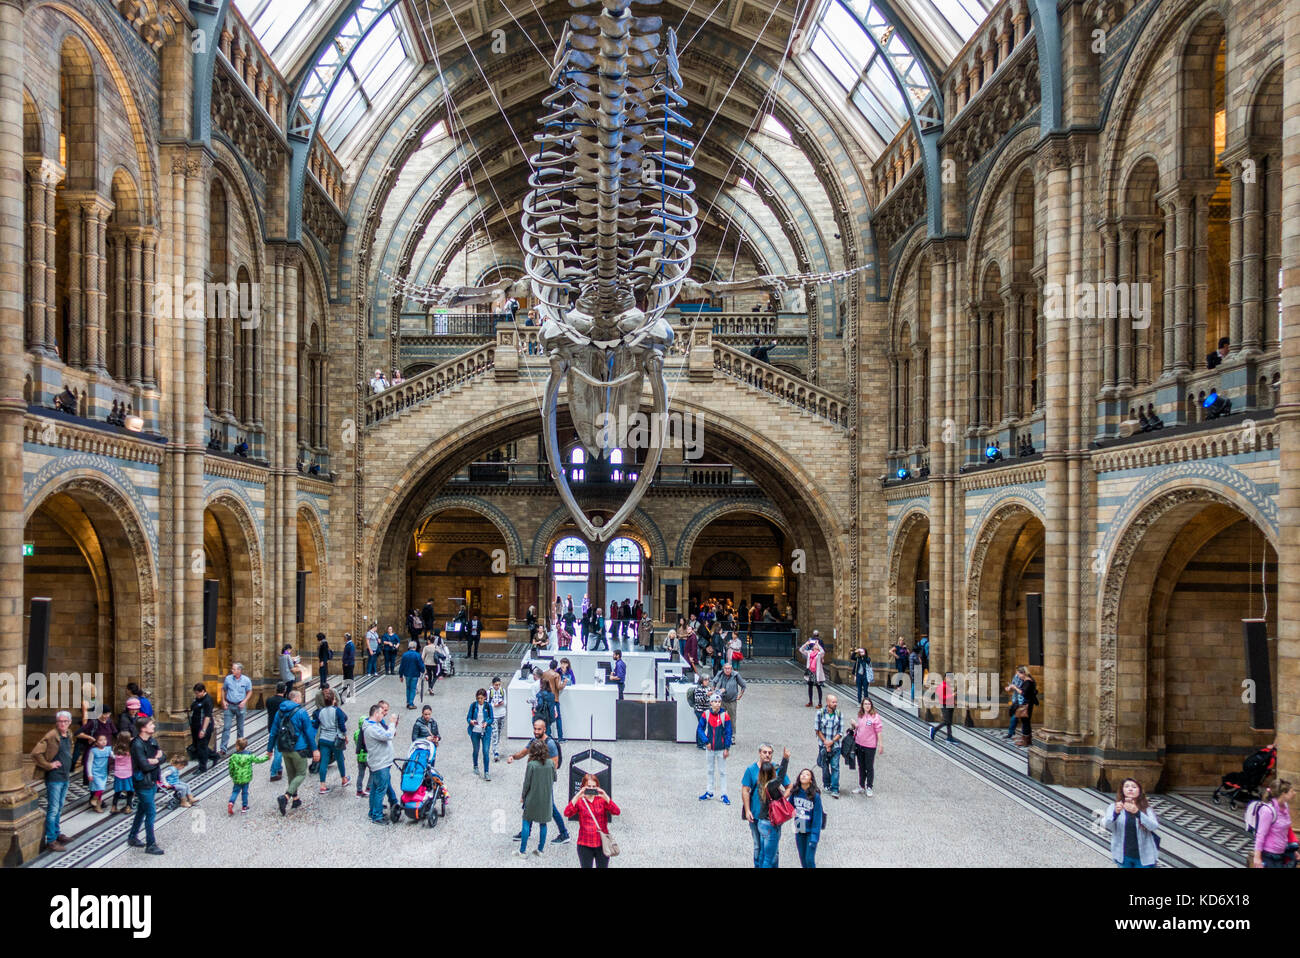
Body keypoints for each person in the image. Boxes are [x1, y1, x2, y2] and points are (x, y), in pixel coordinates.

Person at [506, 718, 572, 845]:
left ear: (545, 729)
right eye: (535, 728)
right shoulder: (534, 741)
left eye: (539, 729)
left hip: (545, 781)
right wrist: (513, 756)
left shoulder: (550, 744)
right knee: (530, 804)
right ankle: (527, 831)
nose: (536, 731)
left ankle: (564, 834)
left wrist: (539, 769)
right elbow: (523, 753)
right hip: (534, 778)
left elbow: (555, 765)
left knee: (550, 807)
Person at [267, 689, 320, 816]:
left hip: (284, 747)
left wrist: (269, 749)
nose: (301, 699)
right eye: (300, 697)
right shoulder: (301, 712)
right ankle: (286, 797)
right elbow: (308, 732)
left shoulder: (279, 712)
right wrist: (314, 749)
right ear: (295, 699)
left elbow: (273, 731)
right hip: (298, 747)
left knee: (291, 774)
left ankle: (295, 799)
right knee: (301, 773)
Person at [31, 710, 75, 853]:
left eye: (65, 721)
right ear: (56, 723)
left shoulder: (69, 734)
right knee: (53, 809)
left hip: (64, 776)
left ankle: (56, 833)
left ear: (69, 722)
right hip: (54, 778)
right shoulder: (51, 735)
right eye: (59, 721)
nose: (62, 724)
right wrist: (49, 765)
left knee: (59, 807)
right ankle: (51, 840)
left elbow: (70, 749)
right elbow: (36, 753)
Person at [741, 744, 790, 868]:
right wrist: (747, 810)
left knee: (770, 850)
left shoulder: (773, 770)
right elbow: (745, 790)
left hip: (770, 818)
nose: (767, 755)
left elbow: (788, 786)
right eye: (764, 752)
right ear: (759, 753)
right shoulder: (752, 770)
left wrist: (780, 800)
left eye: (770, 752)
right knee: (760, 848)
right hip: (758, 816)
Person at [564, 772, 620, 868]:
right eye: (588, 786)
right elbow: (567, 813)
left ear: (597, 787)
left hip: (602, 843)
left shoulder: (602, 800)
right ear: (583, 787)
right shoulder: (580, 801)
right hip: (584, 844)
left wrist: (606, 796)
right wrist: (578, 795)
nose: (591, 789)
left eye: (594, 786)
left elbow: (616, 811)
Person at [127, 716, 166, 855]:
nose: (154, 727)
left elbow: (163, 756)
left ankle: (132, 837)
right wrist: (157, 760)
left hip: (152, 780)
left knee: (142, 810)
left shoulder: (152, 740)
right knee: (150, 812)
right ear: (143, 728)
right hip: (143, 783)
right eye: (151, 725)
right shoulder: (137, 744)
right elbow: (143, 765)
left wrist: (155, 760)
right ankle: (150, 844)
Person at [1103, 778, 1159, 867]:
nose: (1130, 789)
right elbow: (1106, 825)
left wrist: (1138, 813)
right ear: (1122, 790)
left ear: (1139, 791)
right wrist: (1115, 813)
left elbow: (1154, 826)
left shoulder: (1146, 808)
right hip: (1123, 855)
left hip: (1144, 856)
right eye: (1127, 786)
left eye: (1134, 787)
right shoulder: (1114, 806)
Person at [517, 739, 556, 857]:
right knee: (543, 823)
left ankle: (522, 851)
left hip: (532, 798)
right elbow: (554, 778)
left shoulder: (531, 765)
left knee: (526, 822)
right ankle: (540, 849)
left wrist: (523, 796)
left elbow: (526, 783)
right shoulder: (550, 763)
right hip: (546, 798)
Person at [363, 702, 400, 824]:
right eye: (381, 713)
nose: (383, 715)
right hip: (380, 763)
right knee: (380, 789)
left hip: (378, 762)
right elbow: (388, 735)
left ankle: (372, 812)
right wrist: (392, 722)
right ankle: (377, 816)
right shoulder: (372, 728)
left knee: (375, 788)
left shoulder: (373, 725)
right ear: (376, 713)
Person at [313, 687, 350, 793]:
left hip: (323, 739)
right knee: (339, 759)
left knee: (324, 761)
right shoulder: (337, 711)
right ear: (333, 700)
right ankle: (343, 779)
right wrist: (345, 736)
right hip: (335, 739)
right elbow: (342, 726)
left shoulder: (320, 712)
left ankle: (323, 785)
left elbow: (316, 725)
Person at [697, 693, 732, 804]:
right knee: (710, 770)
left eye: (719, 702)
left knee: (722, 772)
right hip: (710, 748)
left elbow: (728, 732)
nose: (717, 704)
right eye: (715, 702)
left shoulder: (725, 715)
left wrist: (727, 748)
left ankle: (724, 794)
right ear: (711, 703)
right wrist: (706, 741)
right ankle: (709, 791)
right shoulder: (706, 714)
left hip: (721, 749)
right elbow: (700, 729)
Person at [1252, 779, 1296, 868]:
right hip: (1269, 854)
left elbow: (1286, 830)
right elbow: (1261, 835)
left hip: (1281, 852)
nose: (1294, 793)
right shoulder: (1268, 811)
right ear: (1284, 793)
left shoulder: (1285, 806)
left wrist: (1293, 851)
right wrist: (1257, 857)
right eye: (1292, 791)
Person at [789, 768, 824, 868]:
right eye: (802, 774)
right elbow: (788, 807)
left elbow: (817, 819)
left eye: (807, 774)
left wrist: (814, 837)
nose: (804, 775)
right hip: (799, 830)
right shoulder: (795, 793)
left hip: (810, 832)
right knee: (803, 859)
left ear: (811, 780)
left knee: (809, 859)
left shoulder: (815, 796)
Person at [226, 737, 269, 815]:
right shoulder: (249, 755)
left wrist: (232, 775)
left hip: (237, 778)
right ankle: (244, 807)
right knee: (245, 792)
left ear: (237, 746)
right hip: (246, 778)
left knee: (235, 791)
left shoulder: (233, 757)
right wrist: (267, 757)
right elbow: (258, 760)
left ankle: (231, 803)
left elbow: (231, 768)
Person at [849, 698, 883, 795]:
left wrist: (880, 744)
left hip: (870, 745)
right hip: (859, 744)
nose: (867, 706)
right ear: (862, 706)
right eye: (865, 704)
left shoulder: (875, 717)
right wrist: (854, 725)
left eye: (869, 704)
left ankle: (869, 786)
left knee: (869, 766)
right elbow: (859, 727)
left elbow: (879, 731)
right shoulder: (861, 715)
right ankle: (861, 785)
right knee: (861, 766)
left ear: (871, 705)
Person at [219, 662, 253, 755]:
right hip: (229, 706)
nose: (232, 670)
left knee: (240, 728)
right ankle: (223, 748)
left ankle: (240, 748)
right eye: (232, 669)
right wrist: (223, 700)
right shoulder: (228, 679)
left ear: (239, 670)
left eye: (234, 669)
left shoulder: (246, 680)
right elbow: (223, 689)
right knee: (226, 727)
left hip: (240, 706)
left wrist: (244, 701)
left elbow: (249, 691)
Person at [815, 693, 843, 798]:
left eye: (836, 702)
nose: (835, 704)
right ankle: (827, 784)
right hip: (823, 745)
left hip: (835, 746)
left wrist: (831, 742)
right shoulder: (820, 713)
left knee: (835, 766)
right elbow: (817, 729)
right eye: (833, 702)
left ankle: (835, 788)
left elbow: (840, 732)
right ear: (827, 702)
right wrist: (825, 742)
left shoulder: (839, 714)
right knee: (825, 766)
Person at [712, 661, 747, 739]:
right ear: (723, 669)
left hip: (732, 701)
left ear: (731, 669)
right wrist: (714, 693)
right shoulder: (720, 674)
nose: (727, 670)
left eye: (729, 669)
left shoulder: (735, 675)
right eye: (726, 668)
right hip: (722, 700)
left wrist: (740, 695)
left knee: (732, 719)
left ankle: (732, 736)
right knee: (720, 717)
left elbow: (743, 685)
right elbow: (714, 682)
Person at [467, 688, 494, 780]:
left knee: (486, 751)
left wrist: (487, 723)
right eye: (478, 698)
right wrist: (471, 721)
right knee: (476, 749)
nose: (479, 700)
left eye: (481, 698)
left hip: (485, 731)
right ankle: (475, 766)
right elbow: (468, 717)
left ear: (485, 698)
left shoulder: (488, 706)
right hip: (475, 731)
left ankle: (486, 772)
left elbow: (492, 718)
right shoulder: (473, 705)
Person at [189, 682, 215, 772]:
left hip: (204, 727)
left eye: (197, 693)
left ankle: (202, 767)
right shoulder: (198, 699)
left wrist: (203, 730)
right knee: (199, 745)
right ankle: (214, 756)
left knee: (201, 748)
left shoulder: (207, 701)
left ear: (203, 691)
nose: (196, 695)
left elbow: (207, 716)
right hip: (195, 726)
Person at [264, 682, 287, 782]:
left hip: (271, 725)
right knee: (279, 751)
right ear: (284, 690)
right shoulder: (285, 702)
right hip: (280, 728)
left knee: (276, 747)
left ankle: (279, 768)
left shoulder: (269, 700)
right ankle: (273, 772)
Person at [110, 730, 135, 814]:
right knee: (130, 791)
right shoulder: (130, 750)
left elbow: (113, 756)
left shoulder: (116, 749)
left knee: (117, 791)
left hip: (118, 773)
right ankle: (128, 806)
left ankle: (114, 806)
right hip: (128, 773)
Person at [928, 673, 957, 742]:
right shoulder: (942, 686)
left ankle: (949, 737)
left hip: (950, 705)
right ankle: (934, 730)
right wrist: (952, 695)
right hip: (945, 705)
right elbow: (942, 698)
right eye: (950, 678)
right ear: (945, 678)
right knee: (946, 721)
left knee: (949, 722)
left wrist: (954, 702)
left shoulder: (947, 686)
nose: (951, 680)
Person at [88, 733, 113, 813]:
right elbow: (89, 762)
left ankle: (97, 806)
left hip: (103, 772)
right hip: (95, 772)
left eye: (105, 740)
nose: (103, 741)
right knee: (100, 788)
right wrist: (90, 774)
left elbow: (114, 756)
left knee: (101, 790)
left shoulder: (108, 749)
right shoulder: (93, 751)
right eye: (101, 740)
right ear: (96, 742)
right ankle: (94, 799)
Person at [800, 632, 826, 707]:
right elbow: (801, 650)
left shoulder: (819, 654)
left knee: (818, 687)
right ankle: (810, 701)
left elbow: (823, 651)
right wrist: (806, 643)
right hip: (810, 671)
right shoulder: (809, 652)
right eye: (814, 645)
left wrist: (818, 645)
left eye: (816, 646)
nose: (815, 646)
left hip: (816, 672)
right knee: (810, 686)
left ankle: (820, 703)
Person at [1015, 666, 1038, 745]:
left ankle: (1025, 741)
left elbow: (1023, 693)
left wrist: (1014, 687)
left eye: (1019, 675)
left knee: (1025, 721)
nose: (1018, 676)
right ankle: (1027, 739)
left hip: (1027, 704)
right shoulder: (1027, 681)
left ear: (1024, 673)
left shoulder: (1028, 682)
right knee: (1025, 721)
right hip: (1027, 703)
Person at [487, 676, 508, 761]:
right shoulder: (489, 692)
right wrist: (494, 705)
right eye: (496, 685)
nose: (497, 686)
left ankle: (496, 746)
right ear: (493, 684)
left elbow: (505, 703)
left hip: (502, 714)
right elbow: (487, 704)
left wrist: (501, 703)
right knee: (494, 732)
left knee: (499, 732)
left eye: (499, 685)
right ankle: (495, 750)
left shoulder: (503, 691)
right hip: (494, 715)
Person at [399, 640, 423, 708]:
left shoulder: (405, 655)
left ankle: (408, 701)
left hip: (407, 674)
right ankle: (411, 703)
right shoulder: (417, 655)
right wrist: (423, 671)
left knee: (408, 688)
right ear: (415, 647)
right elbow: (420, 665)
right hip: (415, 674)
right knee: (413, 689)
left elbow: (402, 666)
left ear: (409, 647)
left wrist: (401, 675)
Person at [1004, 666, 1025, 740]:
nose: (1017, 674)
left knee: (1017, 717)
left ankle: (1012, 733)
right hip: (1015, 699)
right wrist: (1009, 688)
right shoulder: (1016, 676)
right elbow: (1012, 684)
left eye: (1018, 672)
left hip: (1021, 700)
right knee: (1014, 716)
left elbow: (1021, 689)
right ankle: (1012, 732)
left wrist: (1014, 687)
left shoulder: (1026, 679)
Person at [340, 633, 356, 698]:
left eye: (344, 637)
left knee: (349, 678)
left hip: (349, 664)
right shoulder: (348, 644)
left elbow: (351, 655)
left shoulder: (351, 645)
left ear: (346, 638)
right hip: (347, 664)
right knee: (346, 678)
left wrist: (347, 662)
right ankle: (345, 691)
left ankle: (350, 691)